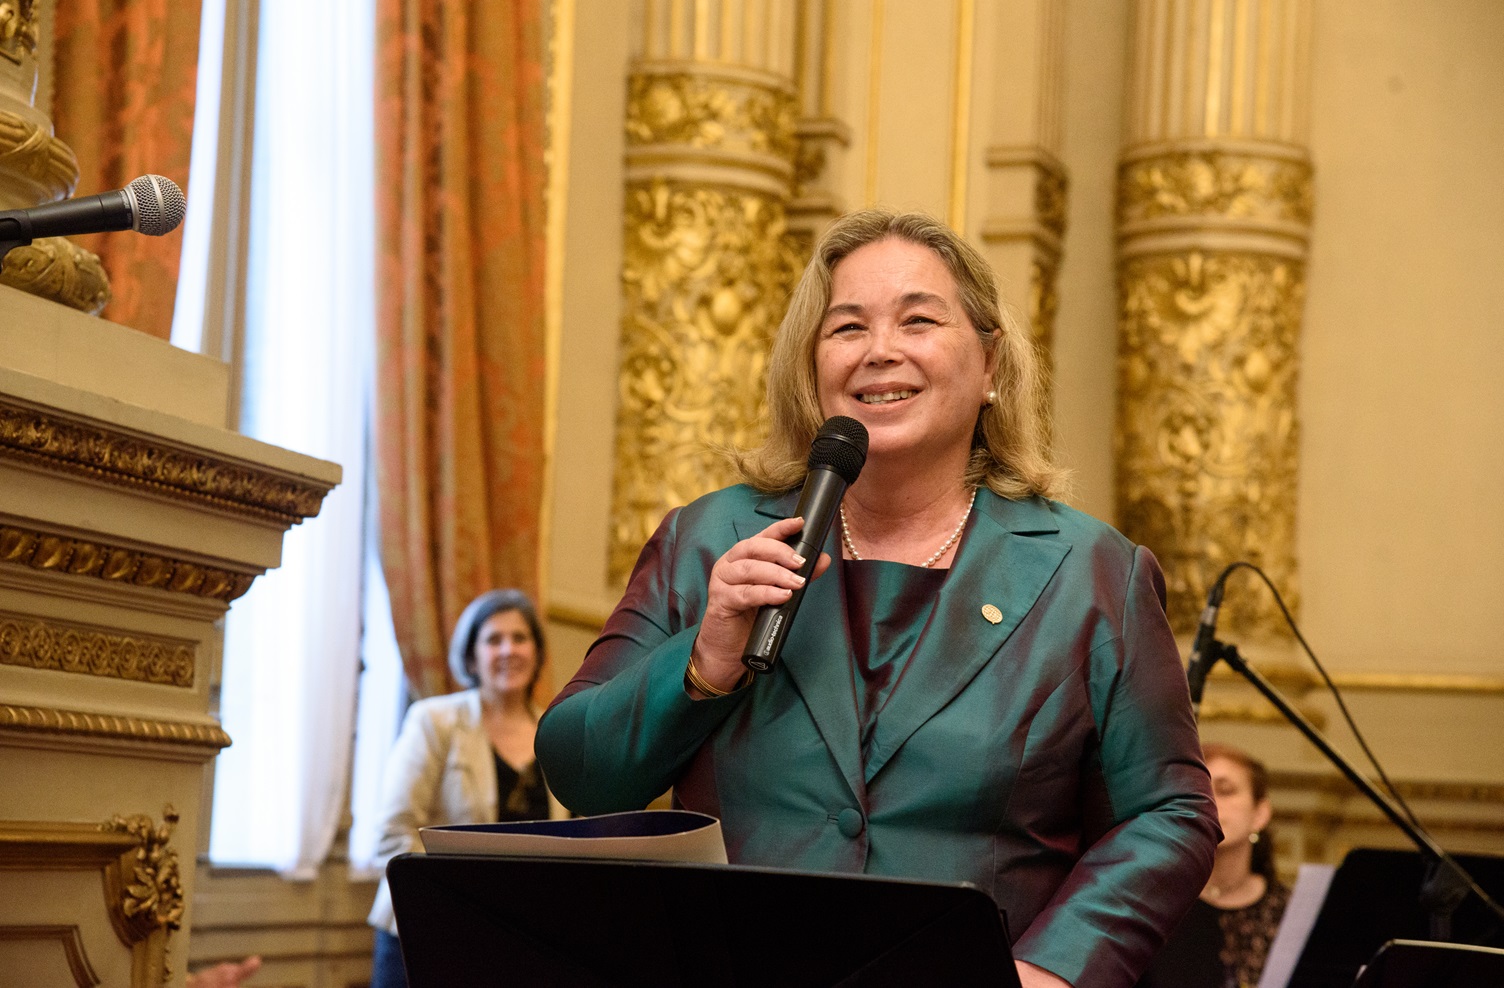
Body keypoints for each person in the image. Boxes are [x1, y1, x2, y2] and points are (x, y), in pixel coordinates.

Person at [536, 209, 1220, 988]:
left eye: (919, 320)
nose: (880, 351)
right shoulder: (708, 538)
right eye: (847, 327)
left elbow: (1170, 815)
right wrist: (701, 665)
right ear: (812, 365)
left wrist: (1053, 968)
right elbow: (578, 768)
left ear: (992, 363)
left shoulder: (1092, 572)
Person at [366, 589, 564, 988]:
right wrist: (459, 900)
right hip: (422, 931)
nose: (509, 649)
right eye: (493, 639)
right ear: (472, 656)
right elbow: (393, 833)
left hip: (517, 940)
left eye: (520, 638)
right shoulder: (433, 721)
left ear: (538, 652)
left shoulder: (557, 733)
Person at [1138, 743, 1290, 988]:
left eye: (1225, 790)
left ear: (1260, 813)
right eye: (1196, 791)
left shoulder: (1291, 914)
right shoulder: (1152, 909)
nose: (1209, 801)